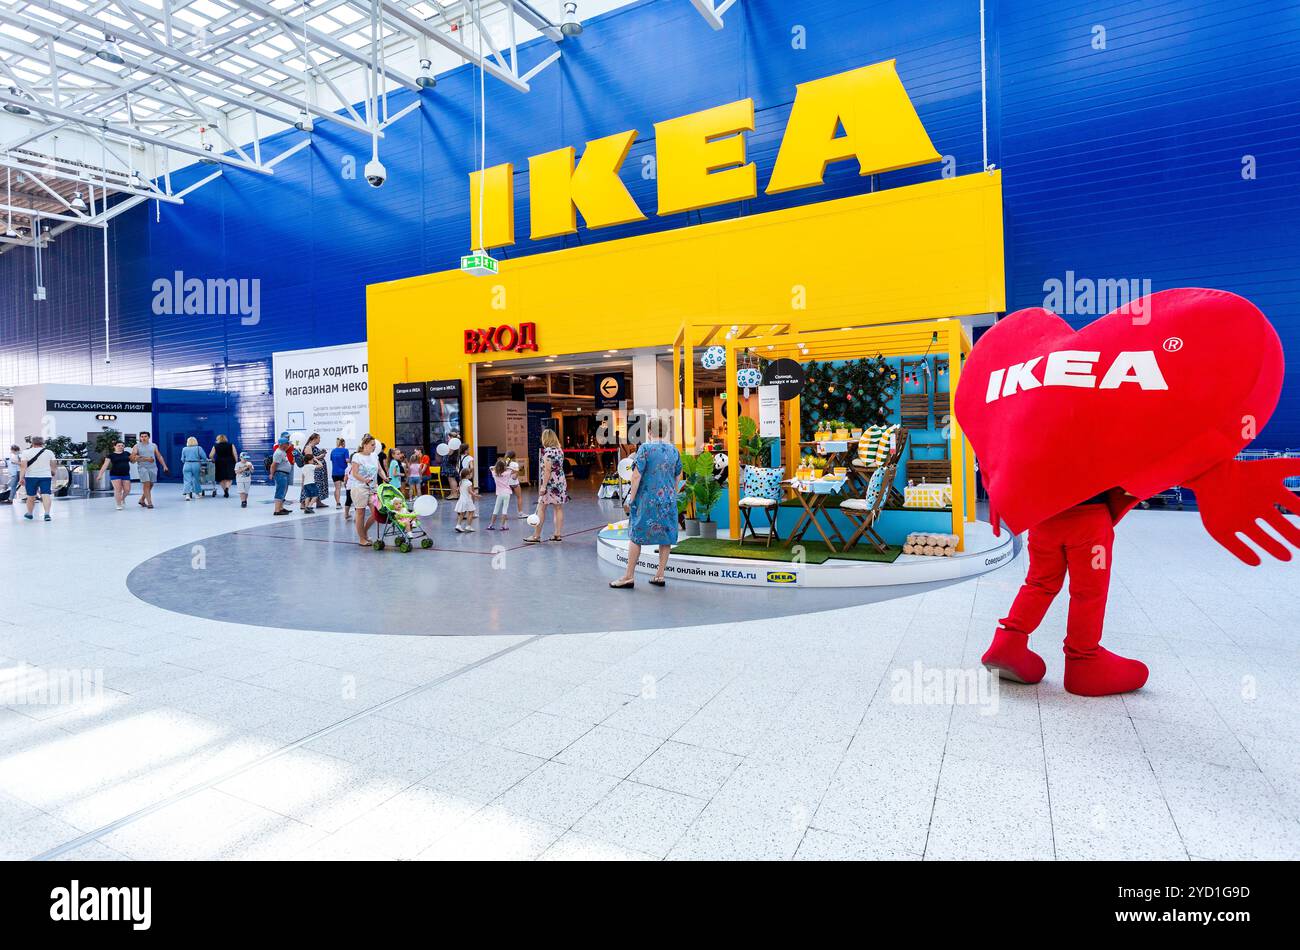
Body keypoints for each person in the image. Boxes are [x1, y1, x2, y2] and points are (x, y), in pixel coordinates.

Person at [982, 490, 1149, 696]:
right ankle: (1084, 659)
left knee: (1039, 583)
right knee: (1089, 592)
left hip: (1043, 517)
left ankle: (1009, 643)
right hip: (1089, 518)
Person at [610, 421, 682, 589]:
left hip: (646, 501)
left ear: (649, 431)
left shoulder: (645, 449)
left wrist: (631, 499)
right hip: (668, 500)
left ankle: (628, 576)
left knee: (636, 535)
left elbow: (636, 477)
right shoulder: (674, 450)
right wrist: (672, 492)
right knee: (666, 536)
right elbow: (678, 475)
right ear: (665, 431)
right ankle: (660, 574)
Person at [524, 429, 567, 543]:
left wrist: (543, 486)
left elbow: (547, 471)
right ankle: (557, 534)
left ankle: (536, 536)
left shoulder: (547, 452)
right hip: (560, 482)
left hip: (550, 484)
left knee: (541, 508)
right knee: (558, 508)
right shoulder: (559, 451)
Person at [347, 435, 380, 545]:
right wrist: (365, 480)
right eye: (372, 445)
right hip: (359, 488)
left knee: (377, 512)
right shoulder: (357, 456)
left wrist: (385, 477)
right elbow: (354, 473)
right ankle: (362, 539)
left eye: (374, 445)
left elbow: (379, 469)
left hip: (373, 488)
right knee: (360, 513)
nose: (374, 447)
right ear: (365, 445)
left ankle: (364, 532)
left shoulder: (375, 456)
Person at [19, 435, 56, 521]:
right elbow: (54, 463)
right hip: (45, 476)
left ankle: (29, 514)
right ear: (42, 443)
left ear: (32, 443)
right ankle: (47, 514)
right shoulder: (49, 452)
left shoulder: (26, 452)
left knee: (31, 496)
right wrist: (53, 471)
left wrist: (21, 478)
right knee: (46, 494)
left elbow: (23, 467)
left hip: (31, 477)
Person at [131, 432, 168, 508]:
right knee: (146, 484)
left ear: (149, 437)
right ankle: (150, 503)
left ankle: (141, 500)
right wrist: (146, 459)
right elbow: (134, 457)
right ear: (140, 438)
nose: (143, 438)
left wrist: (164, 466)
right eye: (142, 436)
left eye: (145, 436)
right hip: (142, 467)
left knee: (151, 484)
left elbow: (159, 456)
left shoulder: (153, 445)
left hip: (153, 467)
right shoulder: (136, 446)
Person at [98, 440, 133, 510]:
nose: (121, 447)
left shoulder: (127, 453)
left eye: (122, 446)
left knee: (127, 490)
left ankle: (122, 499)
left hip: (125, 474)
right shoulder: (110, 455)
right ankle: (118, 504)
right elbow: (105, 465)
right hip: (115, 474)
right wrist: (100, 474)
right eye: (119, 446)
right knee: (118, 489)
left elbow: (133, 461)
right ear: (114, 447)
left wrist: (139, 458)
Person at [486, 457, 515, 530]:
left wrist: (496, 466)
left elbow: (490, 467)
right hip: (507, 493)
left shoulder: (494, 473)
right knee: (504, 509)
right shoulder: (507, 473)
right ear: (504, 467)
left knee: (496, 509)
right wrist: (507, 467)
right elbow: (515, 470)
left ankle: (491, 525)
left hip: (499, 493)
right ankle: (503, 526)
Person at [271, 432, 295, 516]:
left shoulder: (282, 452)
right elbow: (273, 465)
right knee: (280, 491)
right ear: (282, 444)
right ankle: (277, 510)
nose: (288, 444)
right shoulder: (278, 453)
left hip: (284, 474)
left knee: (283, 491)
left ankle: (281, 508)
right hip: (280, 474)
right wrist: (271, 474)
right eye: (287, 443)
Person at [454, 461, 479, 532]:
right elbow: (470, 492)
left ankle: (458, 525)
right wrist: (476, 495)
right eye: (470, 474)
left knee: (462, 513)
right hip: (467, 500)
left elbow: (458, 490)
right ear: (467, 475)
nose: (471, 475)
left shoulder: (461, 482)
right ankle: (468, 526)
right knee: (471, 512)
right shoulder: (469, 482)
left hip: (461, 500)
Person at [507, 451, 527, 519]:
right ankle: (520, 513)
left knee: (506, 499)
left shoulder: (504, 463)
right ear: (514, 456)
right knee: (519, 497)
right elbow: (515, 477)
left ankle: (504, 514)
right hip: (514, 483)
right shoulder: (515, 464)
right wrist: (517, 471)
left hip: (506, 483)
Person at [330, 438, 349, 508]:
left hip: (335, 472)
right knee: (348, 487)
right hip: (343, 472)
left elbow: (332, 460)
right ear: (343, 443)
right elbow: (347, 460)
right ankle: (349, 501)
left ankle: (338, 504)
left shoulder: (333, 451)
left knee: (337, 488)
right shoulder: (345, 450)